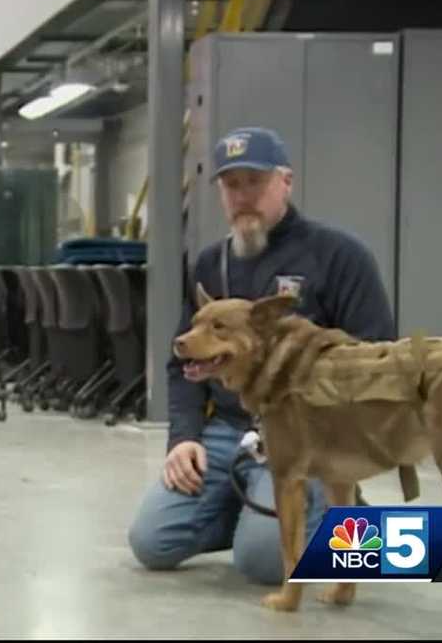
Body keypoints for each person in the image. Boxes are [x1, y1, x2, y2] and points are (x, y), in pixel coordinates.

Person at [128, 127, 396, 584]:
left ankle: (372, 536)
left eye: (256, 182)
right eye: (232, 185)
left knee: (262, 563)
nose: (243, 196)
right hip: (228, 431)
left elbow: (377, 358)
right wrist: (185, 438)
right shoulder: (213, 264)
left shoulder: (339, 256)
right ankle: (259, 510)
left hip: (306, 437)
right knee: (152, 541)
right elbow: (181, 364)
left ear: (285, 182)